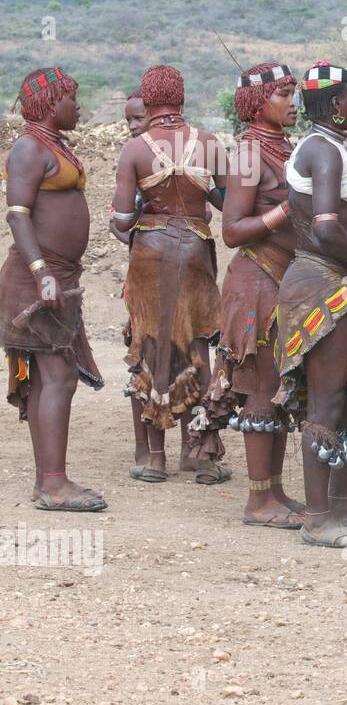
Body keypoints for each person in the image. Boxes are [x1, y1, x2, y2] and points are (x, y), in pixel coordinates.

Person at [274, 61, 347, 549]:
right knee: (326, 401)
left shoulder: (322, 148)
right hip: (322, 282)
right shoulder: (322, 152)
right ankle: (318, 516)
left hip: (328, 281)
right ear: (335, 105)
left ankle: (342, 506)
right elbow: (325, 225)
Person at [111, 65, 228, 484]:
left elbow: (121, 220)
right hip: (195, 254)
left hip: (151, 256)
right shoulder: (210, 143)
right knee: (198, 349)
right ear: (181, 96)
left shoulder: (135, 150)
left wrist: (147, 210)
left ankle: (155, 458)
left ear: (148, 98)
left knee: (153, 347)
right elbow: (230, 202)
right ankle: (199, 454)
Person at [205, 62, 307, 527]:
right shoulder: (248, 153)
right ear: (257, 101)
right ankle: (258, 501)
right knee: (263, 388)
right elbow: (232, 230)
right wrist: (288, 209)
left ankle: (277, 491)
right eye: (283, 94)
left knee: (280, 387)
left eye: (294, 93)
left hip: (284, 280)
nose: (293, 102)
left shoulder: (283, 148)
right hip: (257, 282)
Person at [2, 67, 106, 511]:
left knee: (50, 378)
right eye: (72, 97)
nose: (78, 106)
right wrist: (42, 269)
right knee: (58, 377)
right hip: (37, 278)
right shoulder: (28, 148)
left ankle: (50, 480)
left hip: (58, 276)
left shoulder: (50, 145)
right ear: (50, 102)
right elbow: (17, 215)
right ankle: (53, 483)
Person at [115, 91, 150, 476]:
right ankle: (145, 448)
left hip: (183, 272)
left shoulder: (183, 151)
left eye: (138, 117)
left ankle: (195, 445)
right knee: (141, 358)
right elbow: (118, 219)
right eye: (128, 120)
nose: (133, 126)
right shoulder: (133, 155)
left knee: (193, 358)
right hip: (144, 275)